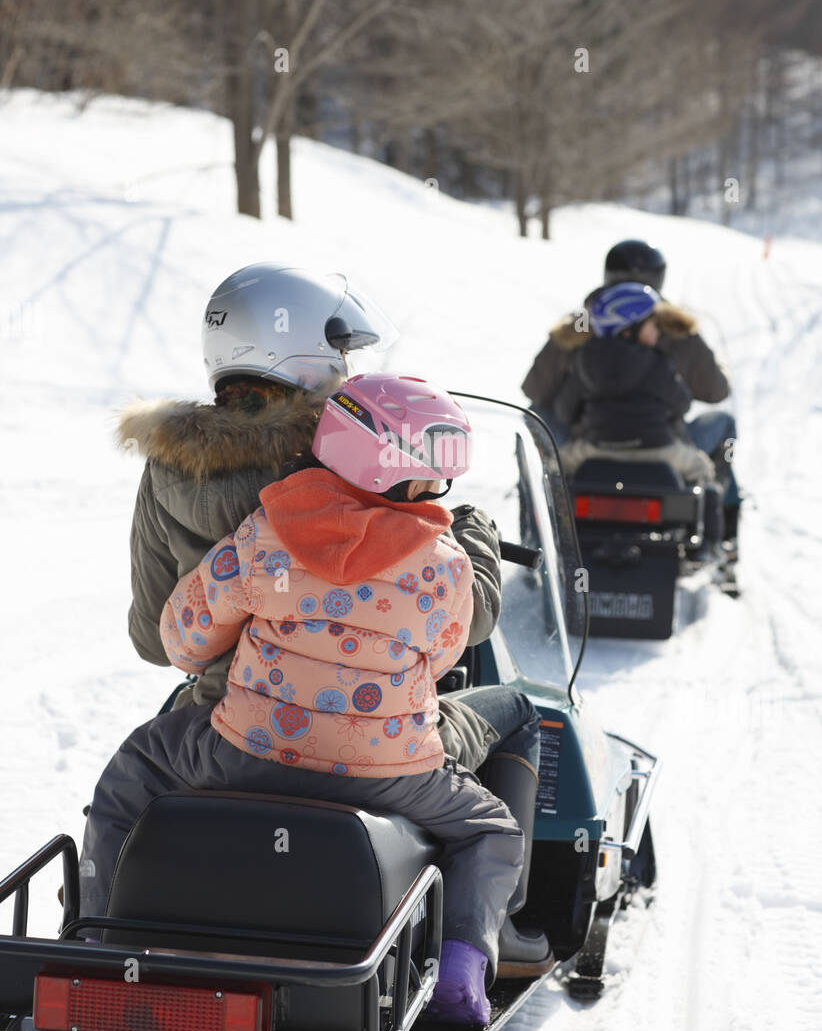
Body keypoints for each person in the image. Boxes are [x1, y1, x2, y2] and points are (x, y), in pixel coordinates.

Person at [116, 263, 548, 973]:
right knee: (516, 711)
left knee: (147, 750)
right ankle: (497, 930)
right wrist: (469, 536)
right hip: (367, 729)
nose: (348, 368)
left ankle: (112, 916)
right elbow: (460, 625)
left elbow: (154, 638)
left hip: (228, 720)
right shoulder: (348, 450)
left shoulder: (168, 464)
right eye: (340, 351)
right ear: (306, 353)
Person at [522, 240, 740, 540]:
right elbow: (714, 392)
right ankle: (722, 539)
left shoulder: (579, 327)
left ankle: (537, 533)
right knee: (723, 426)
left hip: (590, 445)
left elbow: (536, 390)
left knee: (534, 419)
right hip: (662, 446)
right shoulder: (672, 327)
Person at [555, 283, 724, 546]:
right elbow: (683, 405)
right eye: (652, 325)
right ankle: (709, 544)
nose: (657, 331)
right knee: (702, 469)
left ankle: (550, 536)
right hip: (658, 450)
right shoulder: (658, 362)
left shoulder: (585, 359)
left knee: (553, 472)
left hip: (595, 449)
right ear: (628, 329)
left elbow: (565, 411)